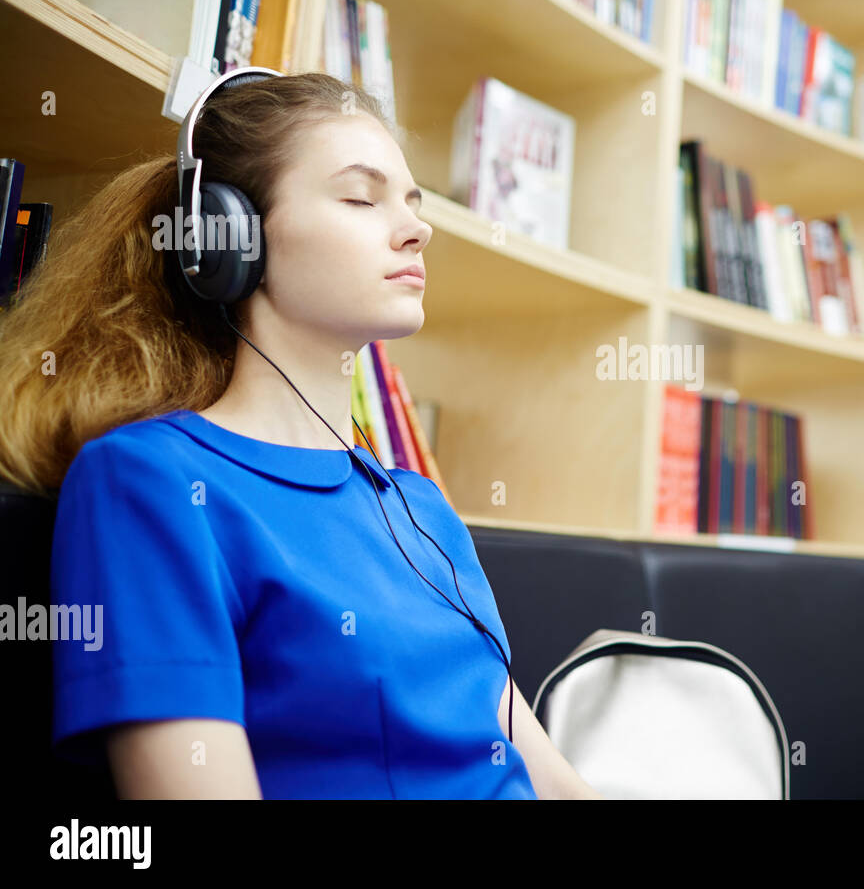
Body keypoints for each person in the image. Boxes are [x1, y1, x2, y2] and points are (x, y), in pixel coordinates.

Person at [0, 71, 602, 799]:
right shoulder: (147, 482)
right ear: (228, 237)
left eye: (413, 204)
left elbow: (548, 777)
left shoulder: (420, 507)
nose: (417, 228)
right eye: (360, 196)